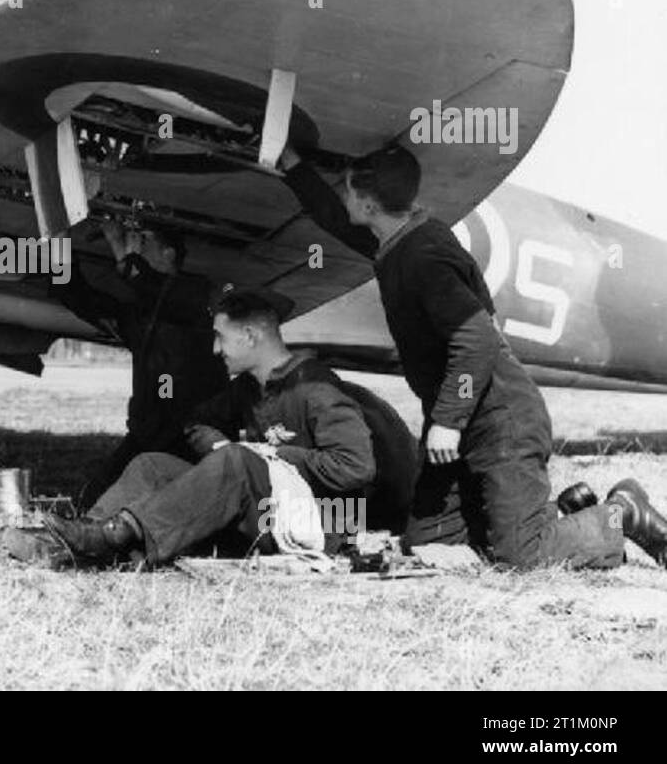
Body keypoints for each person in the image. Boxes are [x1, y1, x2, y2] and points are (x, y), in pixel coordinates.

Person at [280, 142, 667, 569]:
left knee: (522, 557)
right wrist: (293, 166)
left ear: (369, 204)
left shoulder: (422, 255)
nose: (344, 197)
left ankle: (620, 512)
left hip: (501, 421)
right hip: (466, 420)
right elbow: (339, 222)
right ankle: (558, 513)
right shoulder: (401, 237)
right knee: (427, 541)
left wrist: (447, 421)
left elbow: (477, 337)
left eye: (348, 191)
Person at [42, 288, 398, 567]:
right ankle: (83, 536)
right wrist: (218, 445)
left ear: (250, 335)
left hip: (323, 524)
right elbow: (197, 421)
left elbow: (357, 467)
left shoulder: (317, 388)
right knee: (152, 464)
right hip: (270, 511)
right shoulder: (247, 387)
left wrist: (273, 456)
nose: (214, 349)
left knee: (238, 462)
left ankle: (118, 533)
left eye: (220, 337)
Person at [55, 220, 227, 507]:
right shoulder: (138, 312)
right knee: (91, 500)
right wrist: (60, 248)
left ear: (169, 254)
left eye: (144, 241)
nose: (135, 246)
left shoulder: (197, 292)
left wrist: (122, 251)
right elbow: (76, 296)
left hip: (192, 431)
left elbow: (159, 292)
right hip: (148, 429)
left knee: (186, 505)